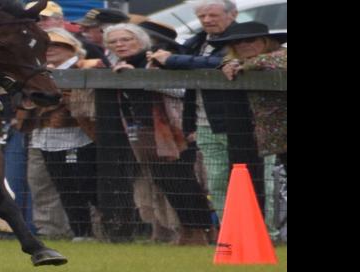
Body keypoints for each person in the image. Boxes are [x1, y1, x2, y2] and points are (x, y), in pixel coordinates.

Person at [146, 0, 263, 223]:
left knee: (255, 178)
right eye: (202, 17)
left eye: (213, 15)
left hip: (245, 123)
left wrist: (172, 60)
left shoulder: (245, 39)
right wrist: (161, 59)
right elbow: (187, 64)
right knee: (216, 181)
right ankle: (227, 231)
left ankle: (264, 231)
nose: (207, 20)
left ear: (233, 14)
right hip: (205, 122)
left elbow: (217, 61)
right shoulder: (196, 41)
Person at [98, 22, 213, 245]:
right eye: (113, 42)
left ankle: (201, 230)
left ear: (140, 40)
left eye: (126, 39)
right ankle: (187, 230)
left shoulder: (158, 59)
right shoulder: (119, 64)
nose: (120, 45)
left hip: (175, 129)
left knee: (183, 180)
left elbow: (183, 90)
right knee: (164, 180)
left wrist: (141, 78)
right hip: (143, 130)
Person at [14, 29, 98, 242]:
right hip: (44, 134)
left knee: (86, 184)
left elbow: (85, 103)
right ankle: (78, 232)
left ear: (72, 48)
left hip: (81, 133)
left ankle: (102, 230)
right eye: (47, 46)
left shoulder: (86, 66)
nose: (51, 50)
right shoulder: (37, 71)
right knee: (63, 185)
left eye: (58, 45)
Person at [215, 21, 285, 240]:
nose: (244, 45)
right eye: (237, 42)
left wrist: (244, 64)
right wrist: (231, 63)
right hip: (278, 136)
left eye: (250, 40)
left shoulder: (278, 56)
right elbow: (226, 61)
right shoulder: (236, 62)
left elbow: (279, 60)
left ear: (265, 41)